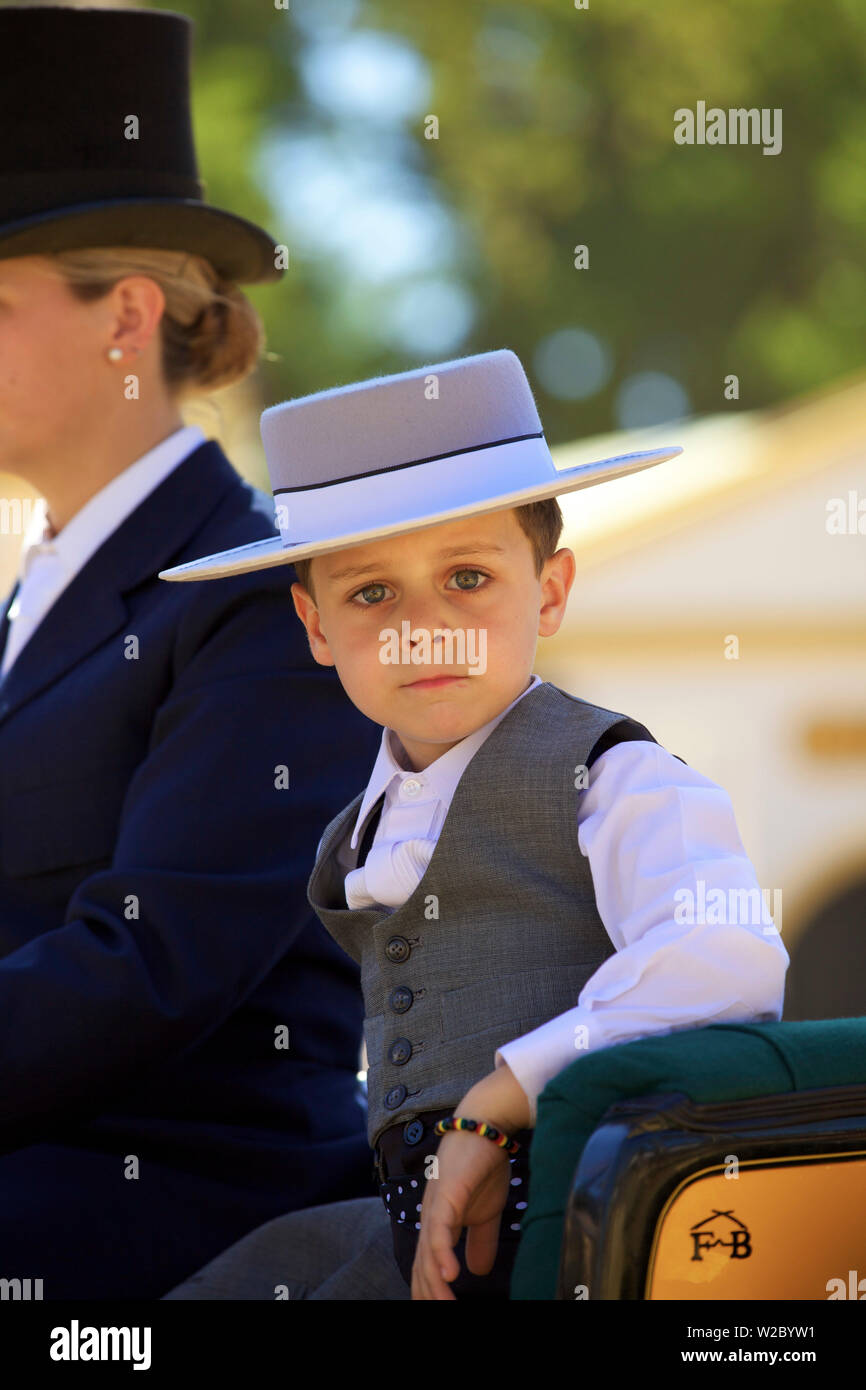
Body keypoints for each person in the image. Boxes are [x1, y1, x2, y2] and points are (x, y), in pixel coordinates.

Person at [160, 348, 788, 1301]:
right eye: (372, 594)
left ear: (550, 590)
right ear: (317, 627)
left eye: (467, 576)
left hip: (577, 1227)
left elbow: (724, 958)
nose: (423, 627)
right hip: (411, 1226)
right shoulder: (354, 832)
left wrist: (503, 1097)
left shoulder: (616, 778)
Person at [0, 6, 381, 1299]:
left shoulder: (256, 592)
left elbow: (150, 963)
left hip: (177, 1206)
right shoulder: (41, 594)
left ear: (125, 317)